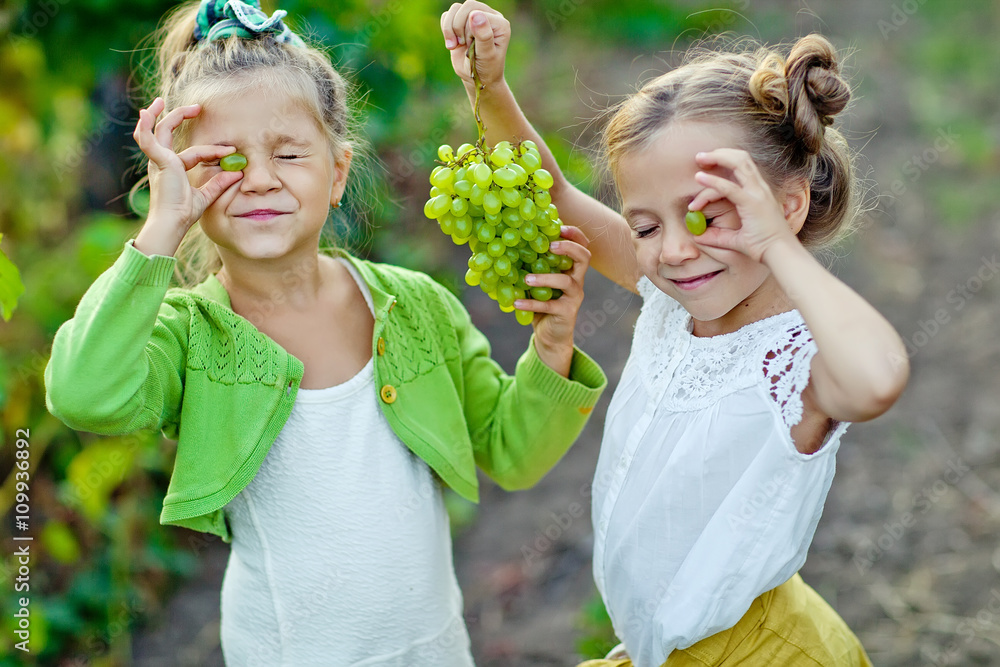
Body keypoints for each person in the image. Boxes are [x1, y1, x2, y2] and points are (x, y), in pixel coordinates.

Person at [43, 0, 608, 663]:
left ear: (338, 172)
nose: (259, 178)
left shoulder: (414, 305)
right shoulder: (190, 334)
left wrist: (550, 348)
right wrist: (161, 230)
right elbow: (83, 393)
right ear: (181, 179)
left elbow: (515, 452)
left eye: (288, 152)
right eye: (222, 161)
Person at [441, 2, 909, 665]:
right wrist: (488, 87)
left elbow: (879, 376)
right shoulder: (673, 301)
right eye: (645, 226)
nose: (674, 251)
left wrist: (778, 247)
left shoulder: (795, 361)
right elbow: (550, 193)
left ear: (787, 205)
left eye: (706, 216)